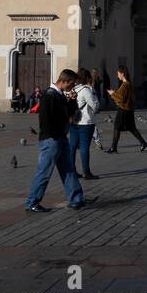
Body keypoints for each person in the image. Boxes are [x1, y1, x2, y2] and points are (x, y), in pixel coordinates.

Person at [25, 69, 87, 213]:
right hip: (51, 140)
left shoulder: (59, 95)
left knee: (68, 169)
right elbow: (46, 120)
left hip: (60, 138)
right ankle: (32, 202)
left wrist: (71, 101)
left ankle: (76, 199)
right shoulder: (49, 96)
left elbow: (69, 113)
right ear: (64, 81)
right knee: (44, 172)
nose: (72, 87)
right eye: (71, 84)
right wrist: (56, 134)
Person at [105, 65, 147, 152]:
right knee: (131, 127)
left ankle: (114, 147)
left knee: (117, 127)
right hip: (129, 109)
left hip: (123, 109)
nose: (117, 76)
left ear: (122, 74)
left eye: (118, 74)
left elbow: (121, 98)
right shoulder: (127, 84)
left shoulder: (125, 84)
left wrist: (112, 94)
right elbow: (123, 96)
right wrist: (115, 92)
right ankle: (143, 143)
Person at [70, 67, 100, 179]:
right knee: (84, 148)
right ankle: (86, 172)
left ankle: (72, 170)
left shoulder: (73, 89)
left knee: (72, 147)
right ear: (87, 78)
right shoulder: (86, 90)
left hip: (73, 122)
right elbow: (95, 105)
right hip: (86, 122)